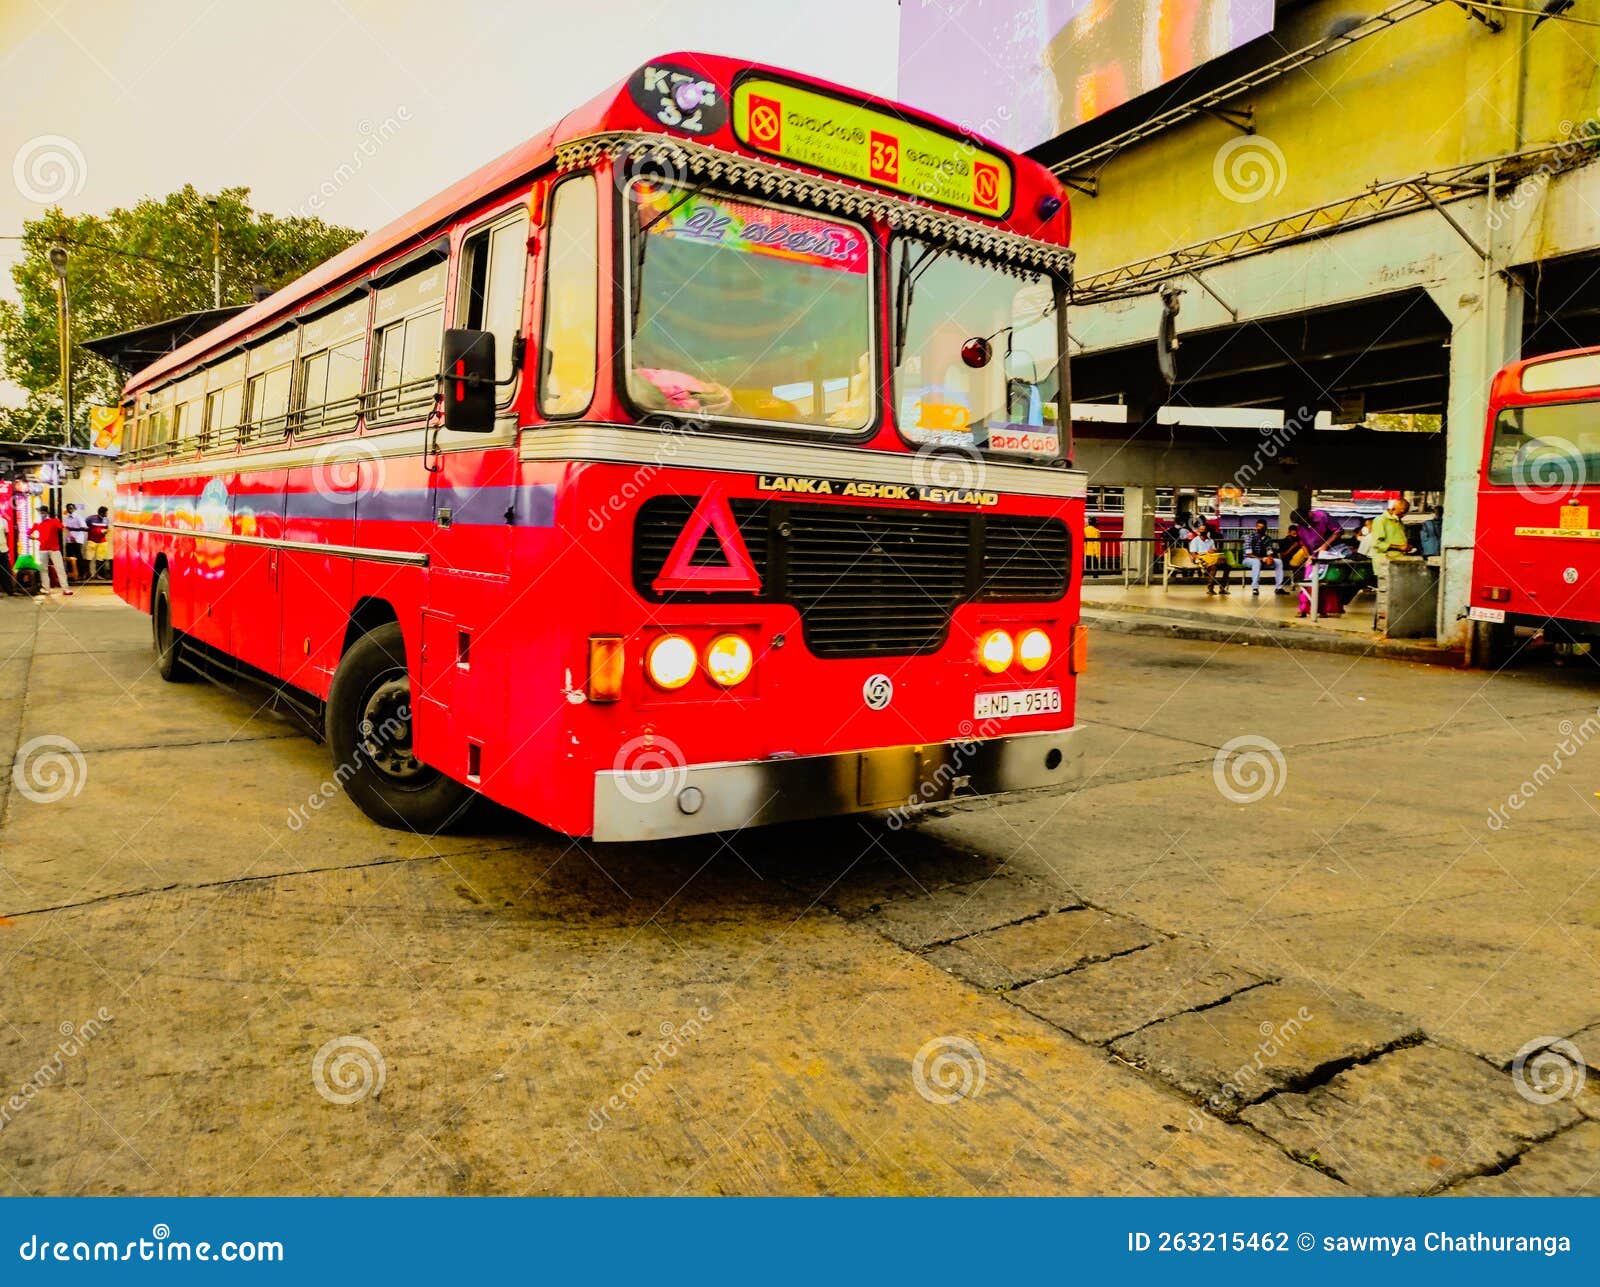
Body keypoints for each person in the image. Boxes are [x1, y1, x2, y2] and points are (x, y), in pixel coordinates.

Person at [30, 506, 72, 598]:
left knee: (60, 568)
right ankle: (46, 589)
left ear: (46, 512)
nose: (40, 514)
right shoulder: (38, 523)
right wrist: (35, 538)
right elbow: (28, 532)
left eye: (41, 512)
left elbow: (62, 527)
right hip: (43, 549)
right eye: (40, 513)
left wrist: (68, 534)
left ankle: (65, 589)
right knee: (43, 569)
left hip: (54, 549)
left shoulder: (54, 521)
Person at [1242, 519, 1286, 596]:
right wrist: (1262, 559)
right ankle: (1255, 588)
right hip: (1249, 559)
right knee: (1256, 562)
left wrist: (1270, 558)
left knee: (1278, 562)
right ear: (1256, 527)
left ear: (1265, 528)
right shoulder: (1249, 537)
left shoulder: (1267, 538)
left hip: (1263, 559)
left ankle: (1279, 588)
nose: (1259, 529)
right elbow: (1249, 554)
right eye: (1258, 527)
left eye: (1262, 527)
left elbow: (1269, 550)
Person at [1189, 523, 1230, 595]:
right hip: (1201, 560)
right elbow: (1194, 554)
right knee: (1214, 567)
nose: (1202, 531)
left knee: (1227, 567)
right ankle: (1210, 589)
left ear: (1207, 531)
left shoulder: (1211, 541)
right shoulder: (1195, 541)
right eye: (1201, 530)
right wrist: (1203, 557)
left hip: (1211, 559)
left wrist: (1213, 551)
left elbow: (1214, 550)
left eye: (1204, 530)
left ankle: (1222, 588)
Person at [85, 505, 111, 581]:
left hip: (102, 542)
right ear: (102, 513)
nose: (107, 514)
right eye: (106, 512)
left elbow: (106, 529)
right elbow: (86, 527)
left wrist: (105, 532)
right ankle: (88, 574)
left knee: (100, 559)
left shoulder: (106, 520)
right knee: (88, 558)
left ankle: (98, 574)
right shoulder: (90, 518)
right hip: (92, 541)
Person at [62, 503, 87, 581]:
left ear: (74, 509)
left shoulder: (78, 517)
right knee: (69, 557)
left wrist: (72, 529)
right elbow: (66, 528)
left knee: (78, 557)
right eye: (68, 508)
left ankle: (82, 574)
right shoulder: (65, 518)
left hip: (77, 540)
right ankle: (71, 574)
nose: (70, 509)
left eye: (71, 508)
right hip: (69, 540)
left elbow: (84, 528)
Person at [0, 510, 16, 596]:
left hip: (3, 549)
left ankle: (9, 590)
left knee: (6, 570)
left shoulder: (3, 521)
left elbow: (6, 534)